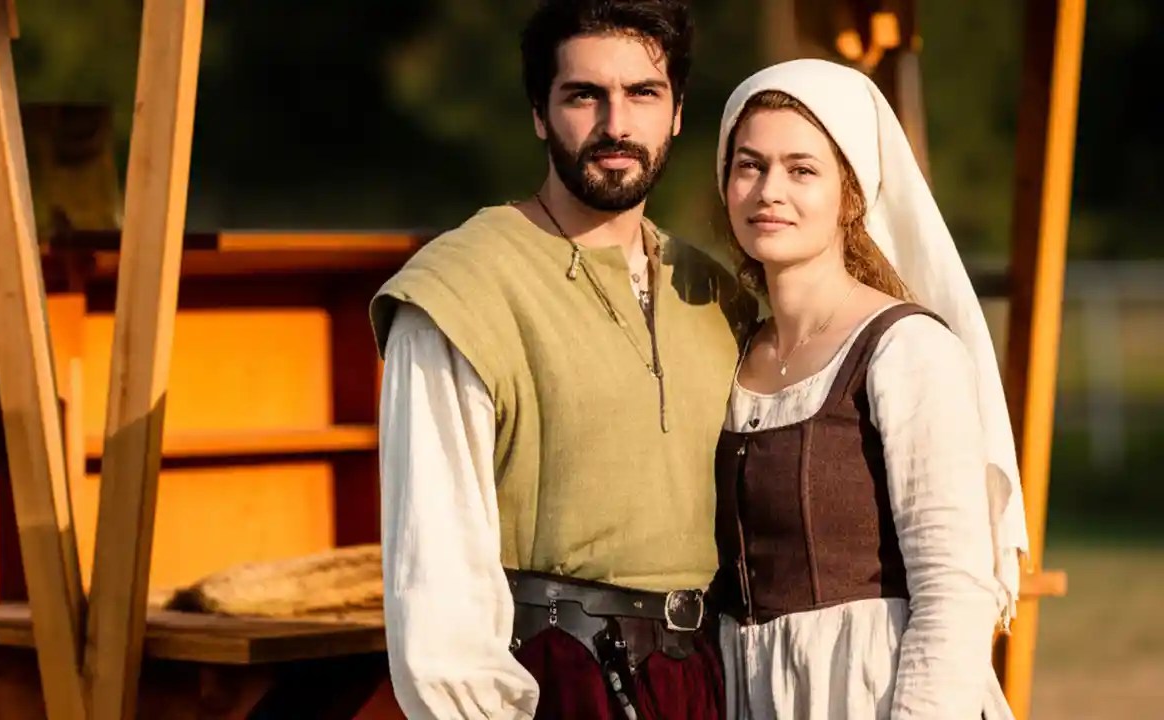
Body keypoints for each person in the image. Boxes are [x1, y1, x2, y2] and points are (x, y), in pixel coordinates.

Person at [369, 1, 739, 718]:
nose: (616, 126)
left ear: (678, 112)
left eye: (643, 93)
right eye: (583, 95)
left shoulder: (716, 295)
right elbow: (435, 574)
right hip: (556, 683)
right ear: (540, 112)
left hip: (705, 686)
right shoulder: (460, 290)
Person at [708, 58, 1029, 719]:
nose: (770, 190)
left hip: (874, 693)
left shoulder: (906, 350)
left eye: (802, 169)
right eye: (750, 165)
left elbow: (952, 590)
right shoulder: (731, 354)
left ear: (850, 194)